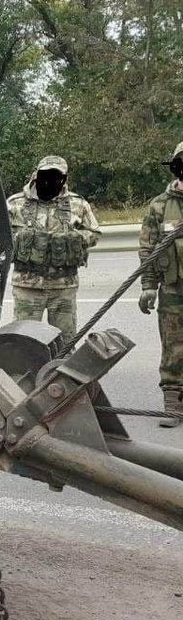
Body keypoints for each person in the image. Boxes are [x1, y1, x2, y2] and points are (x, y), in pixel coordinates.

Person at [7, 155, 101, 339]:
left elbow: (95, 233)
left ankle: (59, 368)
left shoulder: (77, 204)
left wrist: (72, 240)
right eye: (45, 174)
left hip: (63, 287)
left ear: (64, 179)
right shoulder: (15, 204)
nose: (50, 179)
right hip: (27, 286)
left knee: (65, 341)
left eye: (56, 176)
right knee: (23, 340)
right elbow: (0, 236)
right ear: (36, 175)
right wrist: (21, 239)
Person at [137, 141, 183, 428]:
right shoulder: (159, 206)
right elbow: (148, 249)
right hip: (173, 290)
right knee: (174, 345)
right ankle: (173, 403)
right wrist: (148, 286)